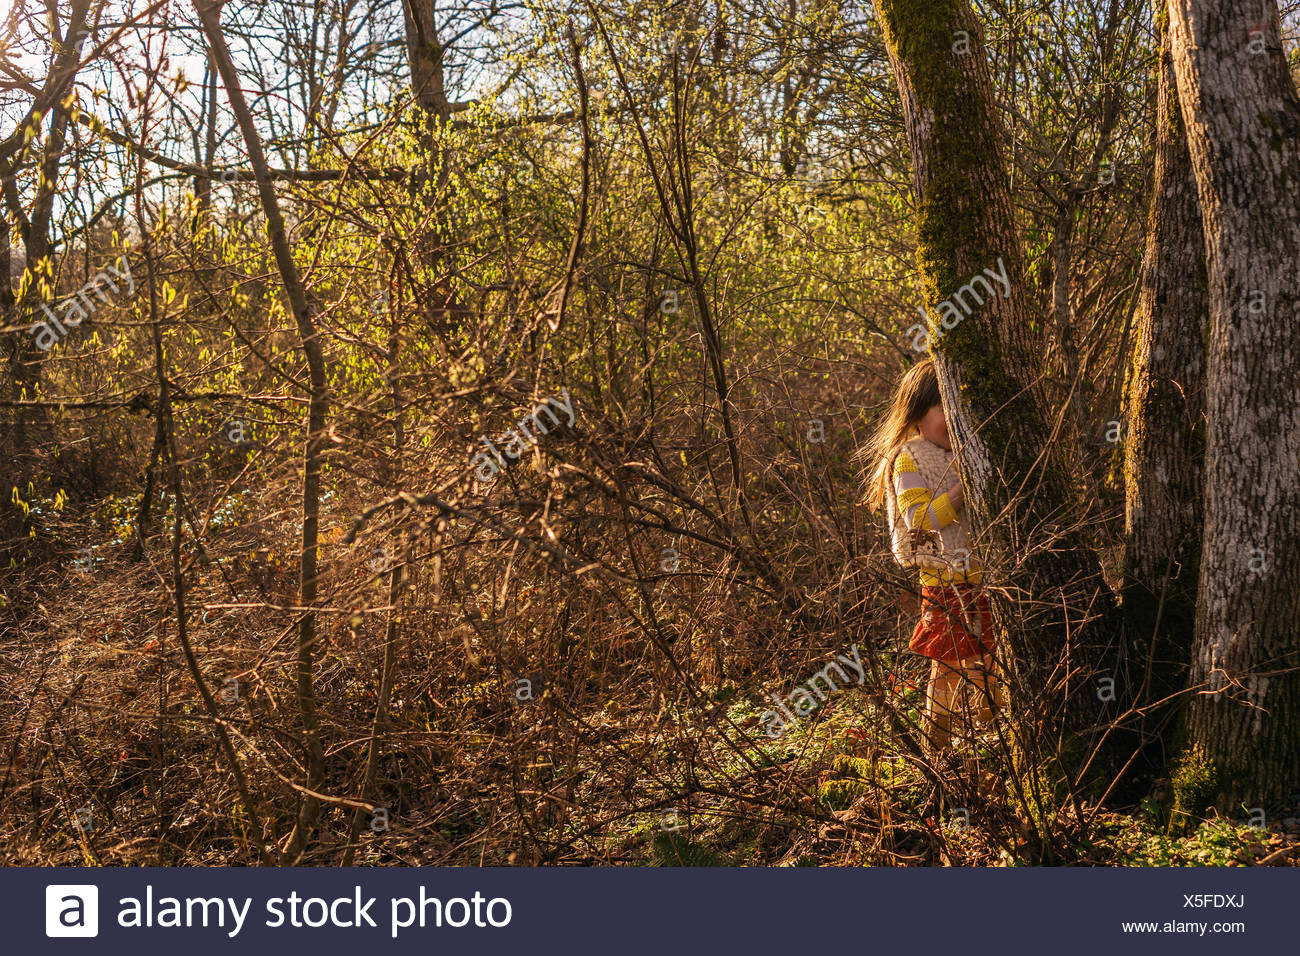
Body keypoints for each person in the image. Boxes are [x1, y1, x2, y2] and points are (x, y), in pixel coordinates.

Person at [861, 358, 1000, 754]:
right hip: (942, 583)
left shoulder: (964, 452)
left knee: (987, 664)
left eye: (956, 407)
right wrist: (961, 491)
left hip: (979, 579)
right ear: (919, 413)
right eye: (943, 409)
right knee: (949, 667)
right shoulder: (909, 457)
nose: (952, 419)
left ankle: (990, 745)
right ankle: (935, 750)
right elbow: (920, 519)